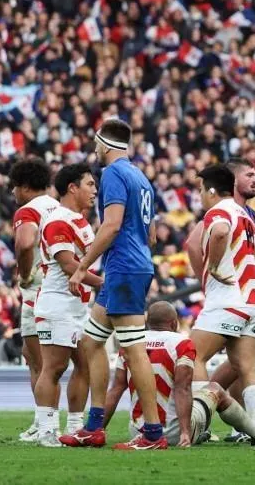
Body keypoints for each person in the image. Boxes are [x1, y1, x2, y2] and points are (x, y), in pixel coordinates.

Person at [63, 118, 164, 450]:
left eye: (96, 144)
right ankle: (95, 427)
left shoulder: (113, 174)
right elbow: (151, 233)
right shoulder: (141, 177)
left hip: (123, 268)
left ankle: (152, 433)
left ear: (104, 144)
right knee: (91, 344)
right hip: (132, 265)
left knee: (134, 352)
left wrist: (81, 268)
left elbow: (111, 225)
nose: (94, 149)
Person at [103, 302, 255, 448]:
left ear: (148, 322)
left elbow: (116, 389)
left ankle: (98, 429)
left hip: (138, 432)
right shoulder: (181, 343)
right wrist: (184, 432)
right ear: (174, 323)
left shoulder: (130, 344)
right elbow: (181, 389)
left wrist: (99, 428)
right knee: (216, 389)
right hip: (173, 432)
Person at [186, 165, 255, 441]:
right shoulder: (245, 214)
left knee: (192, 356)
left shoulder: (218, 211)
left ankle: (196, 424)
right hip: (251, 301)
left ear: (210, 190)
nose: (200, 196)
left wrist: (215, 265)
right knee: (246, 367)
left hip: (227, 300)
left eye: (199, 190)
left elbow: (218, 232)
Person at [32, 163, 103, 447]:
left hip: (78, 306)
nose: (95, 191)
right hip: (57, 304)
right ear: (72, 187)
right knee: (54, 367)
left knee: (84, 365)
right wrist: (103, 284)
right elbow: (68, 264)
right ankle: (47, 430)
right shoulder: (58, 220)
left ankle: (74, 426)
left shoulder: (81, 222)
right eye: (89, 184)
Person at [9, 157, 60, 442]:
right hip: (58, 287)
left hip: (37, 290)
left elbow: (25, 242)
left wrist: (25, 273)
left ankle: (46, 425)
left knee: (41, 365)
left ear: (25, 186)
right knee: (36, 359)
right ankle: (45, 421)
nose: (13, 194)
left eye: (15, 188)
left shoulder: (27, 211)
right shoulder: (57, 206)